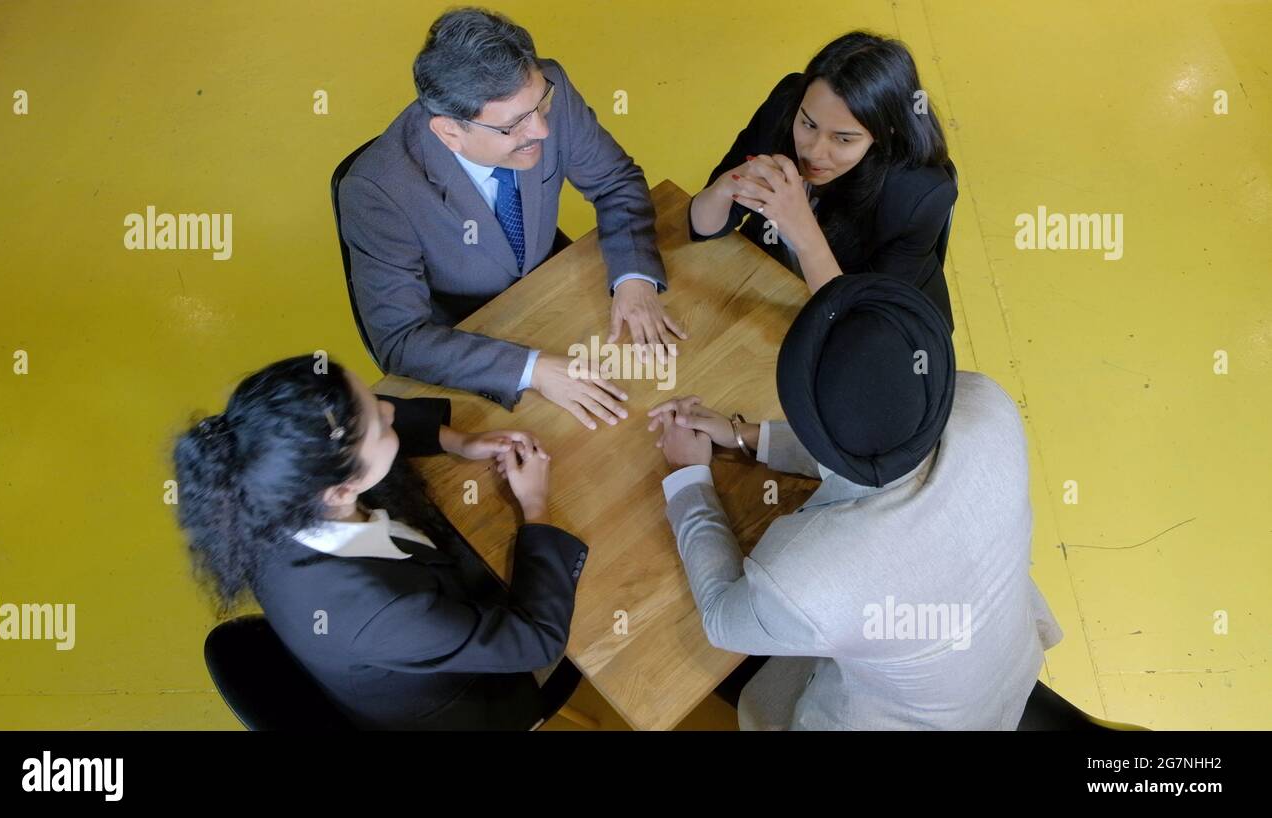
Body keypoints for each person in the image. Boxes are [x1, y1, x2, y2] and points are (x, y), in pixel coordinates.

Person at [647, 275, 1062, 729]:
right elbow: (895, 440)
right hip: (1007, 660)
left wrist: (688, 478)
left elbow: (722, 619)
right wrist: (746, 436)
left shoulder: (809, 581)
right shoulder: (986, 403)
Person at [172, 354, 588, 729]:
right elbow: (537, 640)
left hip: (404, 639)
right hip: (470, 709)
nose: (388, 408)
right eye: (379, 422)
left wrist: (456, 441)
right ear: (341, 491)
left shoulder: (267, 496)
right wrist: (535, 505)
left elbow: (344, 424)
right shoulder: (385, 613)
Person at [339, 7, 685, 427]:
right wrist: (532, 369)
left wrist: (633, 277)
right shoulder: (376, 191)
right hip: (473, 338)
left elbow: (615, 181)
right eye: (516, 124)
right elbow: (400, 340)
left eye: (542, 105)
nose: (541, 129)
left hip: (556, 292)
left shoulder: (542, 87)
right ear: (450, 132)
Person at [688, 31, 957, 328]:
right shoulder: (785, 106)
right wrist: (728, 185)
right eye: (808, 124)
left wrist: (803, 231)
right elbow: (702, 227)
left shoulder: (920, 196)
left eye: (843, 139)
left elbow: (862, 324)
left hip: (869, 319)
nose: (814, 152)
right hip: (772, 283)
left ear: (883, 134)